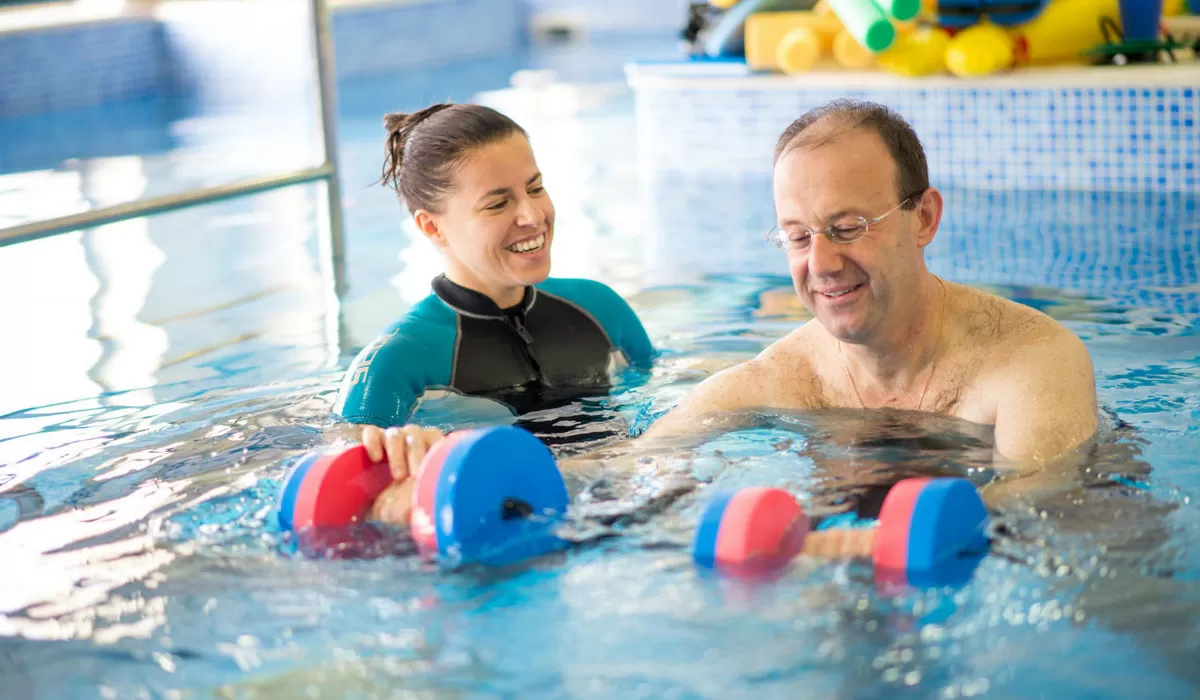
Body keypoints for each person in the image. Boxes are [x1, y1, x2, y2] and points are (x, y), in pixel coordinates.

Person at [368, 98, 1101, 523]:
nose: (822, 263)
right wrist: (443, 475)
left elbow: (1040, 517)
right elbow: (620, 471)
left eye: (848, 227)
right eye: (797, 236)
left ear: (924, 217)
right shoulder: (782, 379)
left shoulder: (1030, 364)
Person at [331, 103, 655, 519]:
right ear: (432, 227)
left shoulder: (601, 309)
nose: (532, 215)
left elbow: (661, 389)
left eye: (535, 188)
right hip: (496, 523)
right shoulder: (397, 359)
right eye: (497, 204)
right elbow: (340, 479)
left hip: (627, 499)